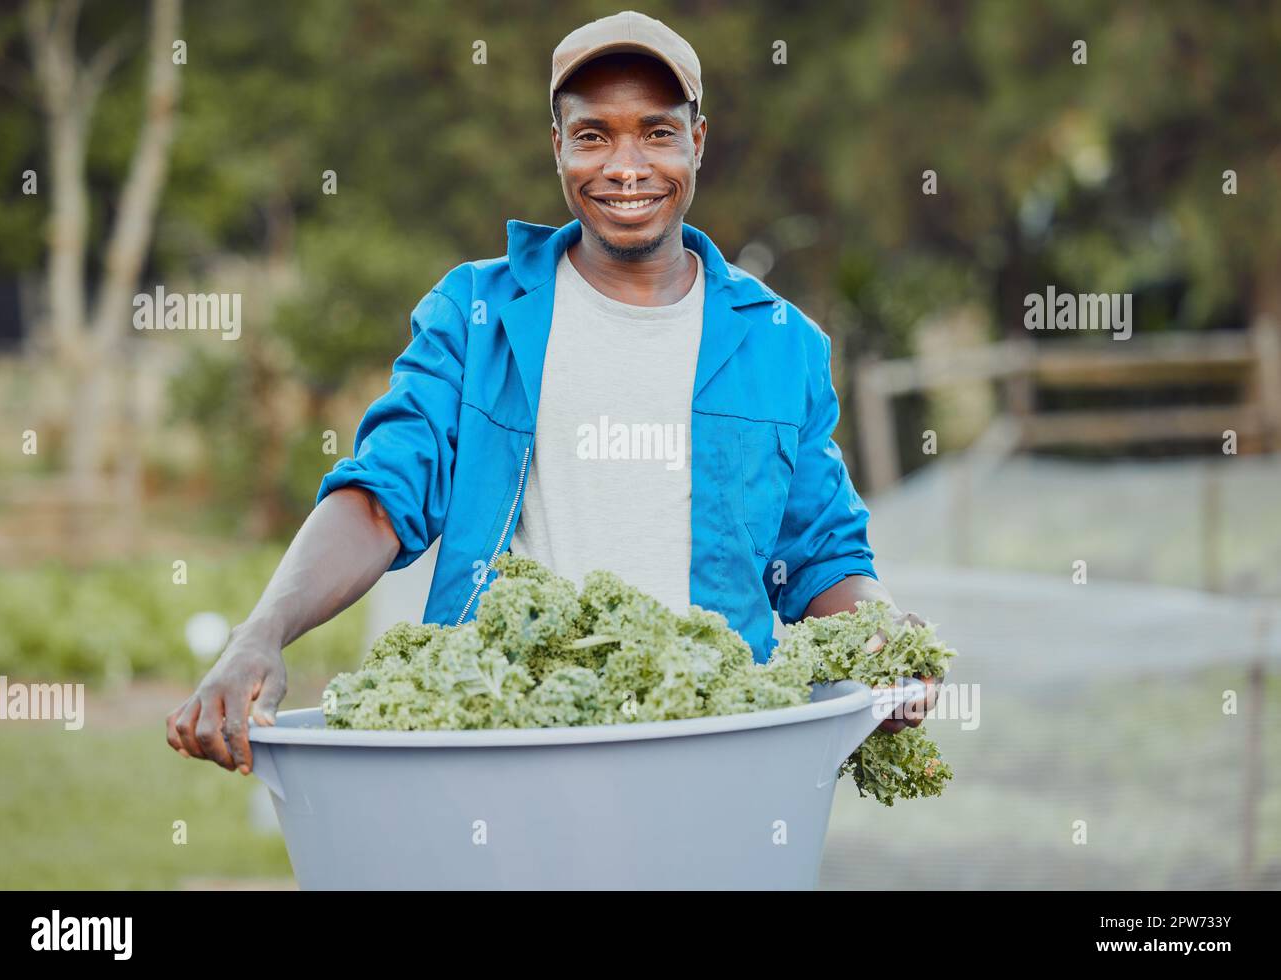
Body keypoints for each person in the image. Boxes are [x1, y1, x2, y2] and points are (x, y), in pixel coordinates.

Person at [166, 10, 938, 773]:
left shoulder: (778, 343)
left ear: (697, 142)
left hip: (714, 749)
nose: (626, 166)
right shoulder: (476, 317)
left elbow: (822, 558)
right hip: (504, 750)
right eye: (593, 134)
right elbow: (379, 498)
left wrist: (888, 642)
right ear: (558, 147)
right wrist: (259, 630)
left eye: (658, 132)